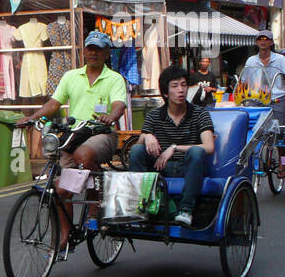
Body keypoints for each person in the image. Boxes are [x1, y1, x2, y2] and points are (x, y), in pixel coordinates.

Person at [15, 30, 127, 250]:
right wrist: (33, 117)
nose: (93, 53)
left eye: (98, 49)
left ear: (106, 53)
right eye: (90, 48)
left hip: (101, 133)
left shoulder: (114, 78)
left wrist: (111, 117)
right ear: (84, 51)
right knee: (59, 189)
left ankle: (95, 193)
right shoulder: (71, 76)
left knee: (83, 156)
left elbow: (119, 105)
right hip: (74, 135)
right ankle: (65, 235)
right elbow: (54, 103)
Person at [128, 67, 216, 226]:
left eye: (183, 85)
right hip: (161, 168)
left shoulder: (199, 113)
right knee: (136, 150)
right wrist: (147, 136)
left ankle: (186, 210)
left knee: (197, 151)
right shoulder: (155, 115)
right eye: (175, 86)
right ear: (166, 93)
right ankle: (143, 205)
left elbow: (209, 147)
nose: (181, 90)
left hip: (189, 167)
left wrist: (175, 147)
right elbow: (139, 144)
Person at [236, 30, 285, 123]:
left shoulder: (280, 59)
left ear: (271, 42)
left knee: (278, 129)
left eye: (266, 39)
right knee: (255, 130)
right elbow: (243, 81)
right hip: (256, 100)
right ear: (256, 42)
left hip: (277, 99)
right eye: (260, 39)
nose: (263, 41)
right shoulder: (251, 61)